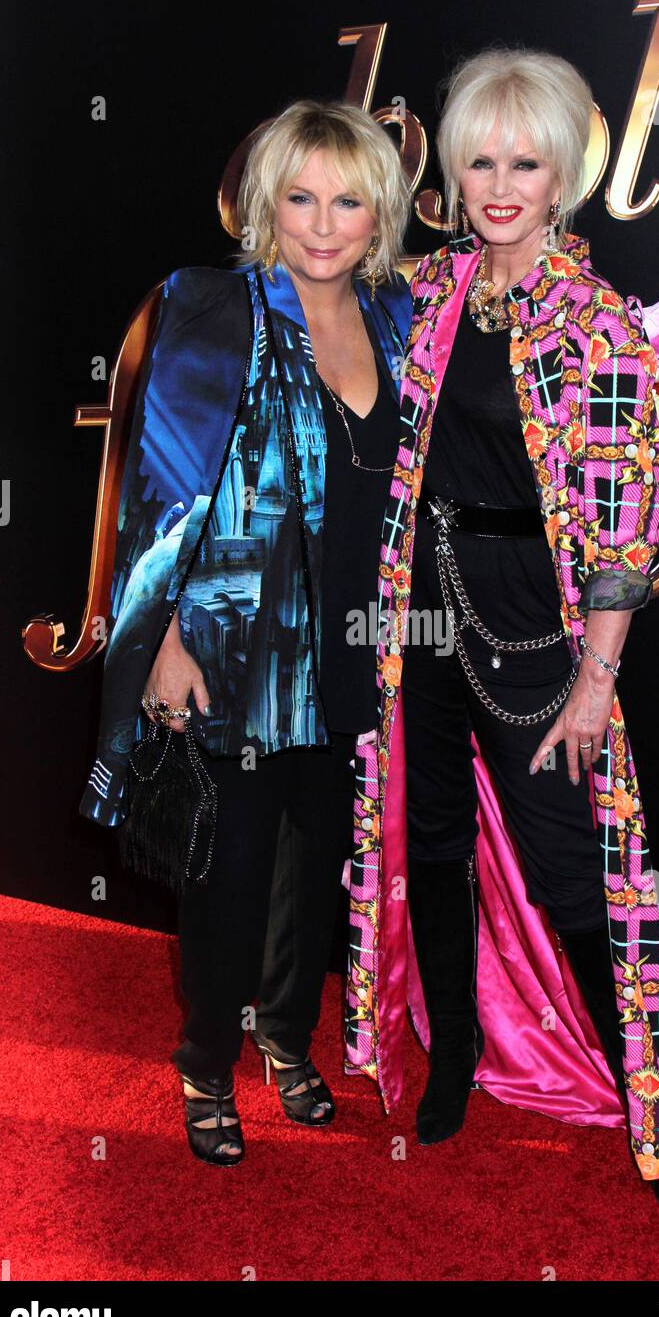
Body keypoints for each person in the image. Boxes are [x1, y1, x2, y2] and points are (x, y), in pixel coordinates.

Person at [342, 48, 659, 1216]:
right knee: (432, 835)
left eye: (526, 163)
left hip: (538, 628)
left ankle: (653, 1114)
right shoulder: (430, 289)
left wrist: (595, 680)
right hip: (421, 606)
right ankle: (454, 1055)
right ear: (452, 169)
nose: (500, 184)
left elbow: (622, 535)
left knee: (576, 867)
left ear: (562, 177)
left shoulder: (599, 324)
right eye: (479, 160)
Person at [79, 100, 411, 1164]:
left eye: (348, 199)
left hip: (354, 650)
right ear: (267, 201)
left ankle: (286, 1034)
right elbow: (161, 496)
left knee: (316, 868)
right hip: (233, 646)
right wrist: (165, 637)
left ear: (381, 214)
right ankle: (205, 1060)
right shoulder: (213, 306)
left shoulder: (398, 315)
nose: (321, 222)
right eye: (300, 196)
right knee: (227, 870)